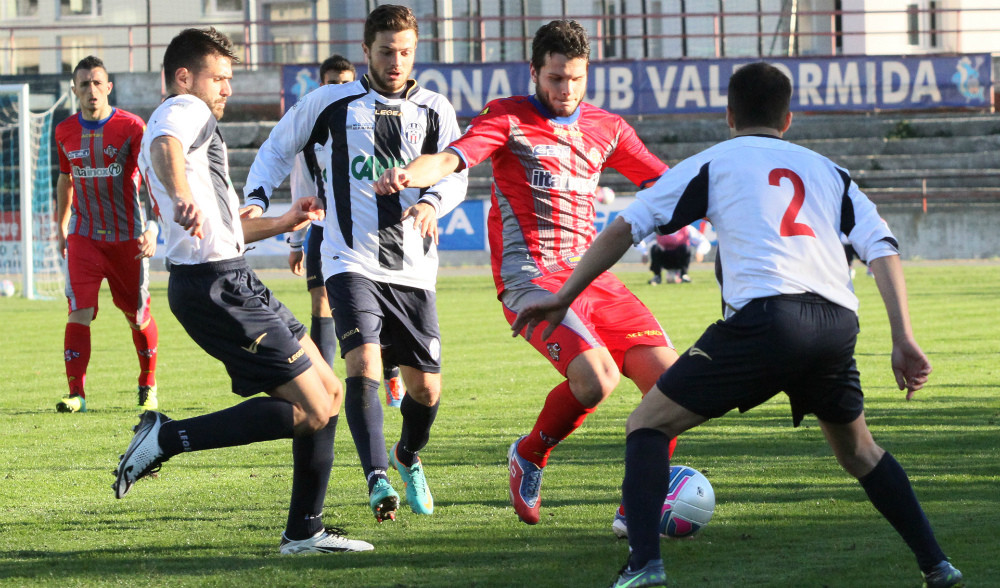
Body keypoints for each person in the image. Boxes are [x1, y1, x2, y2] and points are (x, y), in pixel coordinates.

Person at [510, 62, 963, 588]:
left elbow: (627, 226)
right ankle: (937, 564)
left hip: (767, 321)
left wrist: (564, 295)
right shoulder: (831, 172)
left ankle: (643, 565)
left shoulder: (715, 162)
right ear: (788, 120)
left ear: (729, 116)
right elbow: (882, 248)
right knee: (860, 451)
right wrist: (903, 337)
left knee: (646, 425)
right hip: (836, 325)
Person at [374, 19, 679, 527]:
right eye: (556, 78)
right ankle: (530, 453)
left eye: (576, 79)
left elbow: (665, 181)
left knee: (673, 389)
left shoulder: (607, 127)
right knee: (597, 379)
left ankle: (637, 508)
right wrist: (411, 174)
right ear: (534, 72)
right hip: (529, 278)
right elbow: (453, 158)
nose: (567, 90)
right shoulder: (508, 117)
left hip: (591, 276)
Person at [114, 27, 372, 555]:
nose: (227, 89)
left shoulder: (193, 123)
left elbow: (226, 228)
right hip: (215, 286)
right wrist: (180, 195)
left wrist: (283, 221)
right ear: (185, 78)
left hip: (230, 276)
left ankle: (305, 531)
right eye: (219, 78)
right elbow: (164, 146)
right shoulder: (182, 109)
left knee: (329, 393)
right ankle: (165, 438)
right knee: (313, 407)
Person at [244, 5, 468, 523]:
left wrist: (432, 202)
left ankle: (406, 455)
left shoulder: (435, 109)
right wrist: (255, 201)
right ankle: (376, 479)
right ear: (366, 50)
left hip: (413, 268)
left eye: (405, 52)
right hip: (349, 258)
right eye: (386, 51)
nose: (396, 61)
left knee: (426, 390)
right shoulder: (330, 102)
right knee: (363, 365)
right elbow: (278, 146)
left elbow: (456, 172)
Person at [285, 54, 406, 409]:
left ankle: (391, 368)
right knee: (320, 301)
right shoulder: (311, 132)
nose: (338, 89)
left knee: (381, 306)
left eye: (345, 83)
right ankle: (323, 382)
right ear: (320, 86)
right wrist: (296, 241)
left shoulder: (369, 124)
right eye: (331, 83)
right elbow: (302, 187)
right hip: (325, 227)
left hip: (369, 228)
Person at [54, 55, 159, 413]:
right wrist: (61, 225)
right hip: (84, 235)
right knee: (78, 309)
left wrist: (153, 228)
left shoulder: (132, 127)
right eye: (84, 84)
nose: (92, 90)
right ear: (75, 90)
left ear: (109, 87)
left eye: (97, 83)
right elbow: (66, 178)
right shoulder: (64, 131)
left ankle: (148, 382)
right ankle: (76, 394)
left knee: (137, 316)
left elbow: (153, 179)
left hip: (127, 237)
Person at [639, 223, 710, 284]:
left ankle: (684, 275)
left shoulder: (687, 228)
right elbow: (642, 240)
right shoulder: (658, 229)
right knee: (655, 248)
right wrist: (644, 252)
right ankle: (657, 276)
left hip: (679, 260)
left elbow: (703, 241)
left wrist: (700, 252)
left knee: (685, 247)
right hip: (664, 260)